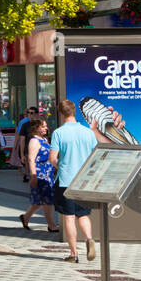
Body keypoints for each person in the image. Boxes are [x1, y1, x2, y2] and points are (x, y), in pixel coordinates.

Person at [50, 99, 98, 263]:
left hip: (65, 179)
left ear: (61, 114)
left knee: (69, 217)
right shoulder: (88, 132)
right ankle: (89, 238)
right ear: (74, 112)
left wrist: (60, 164)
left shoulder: (58, 133)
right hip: (83, 180)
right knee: (83, 215)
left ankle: (73, 254)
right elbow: (94, 157)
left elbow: (52, 158)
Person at [19, 119, 59, 232]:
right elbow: (31, 159)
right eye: (43, 126)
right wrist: (33, 176)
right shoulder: (34, 141)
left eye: (46, 126)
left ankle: (25, 217)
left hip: (48, 174)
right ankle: (51, 225)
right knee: (47, 200)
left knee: (39, 201)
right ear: (36, 128)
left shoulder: (45, 139)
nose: (46, 128)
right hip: (40, 174)